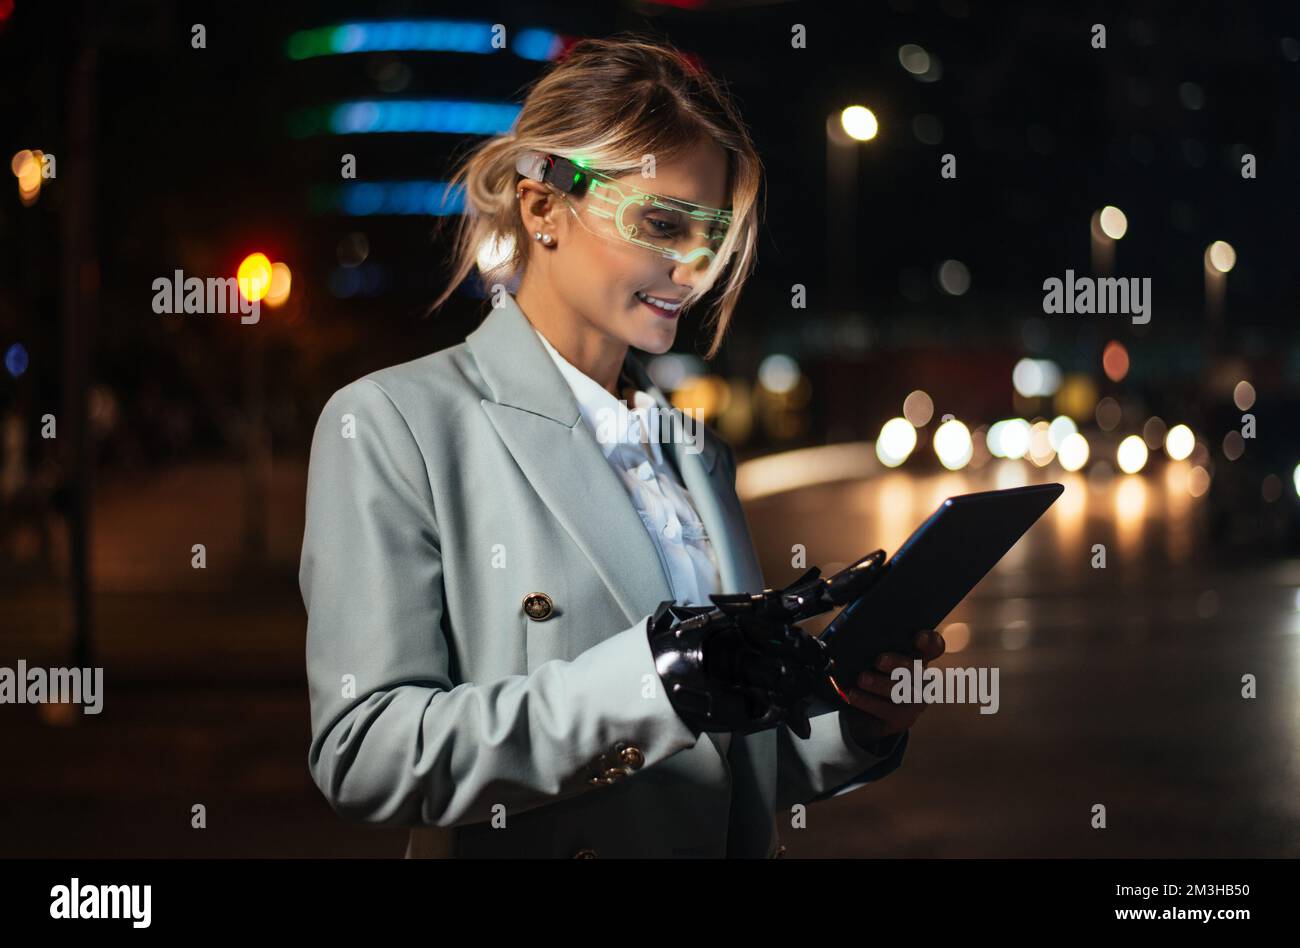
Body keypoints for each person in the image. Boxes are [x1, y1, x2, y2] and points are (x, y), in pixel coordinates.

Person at [300, 34, 943, 859]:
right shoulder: (396, 423)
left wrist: (856, 716)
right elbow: (366, 753)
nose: (695, 265)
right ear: (541, 209)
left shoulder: (693, 451)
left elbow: (733, 775)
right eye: (663, 222)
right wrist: (652, 681)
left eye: (712, 234)